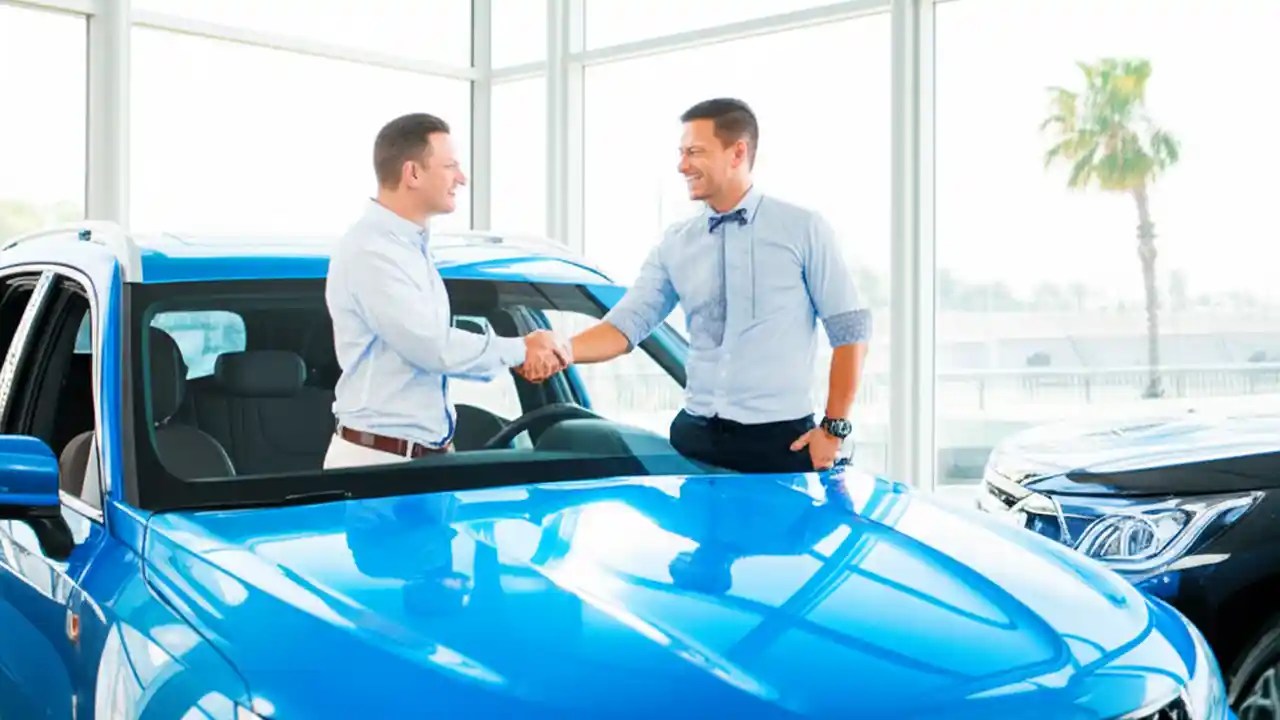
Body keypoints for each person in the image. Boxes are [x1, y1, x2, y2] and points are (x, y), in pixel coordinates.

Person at [560, 98, 871, 473]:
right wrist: (561, 351)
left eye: (694, 152)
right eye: (681, 153)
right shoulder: (676, 242)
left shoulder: (802, 228)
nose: (682, 165)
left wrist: (833, 429)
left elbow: (850, 330)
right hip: (694, 438)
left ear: (737, 152)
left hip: (779, 443)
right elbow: (626, 326)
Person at [323, 112, 569, 469]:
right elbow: (432, 346)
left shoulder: (410, 249)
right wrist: (520, 349)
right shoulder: (371, 251)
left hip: (418, 458)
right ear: (413, 173)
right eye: (450, 166)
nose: (462, 178)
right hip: (380, 462)